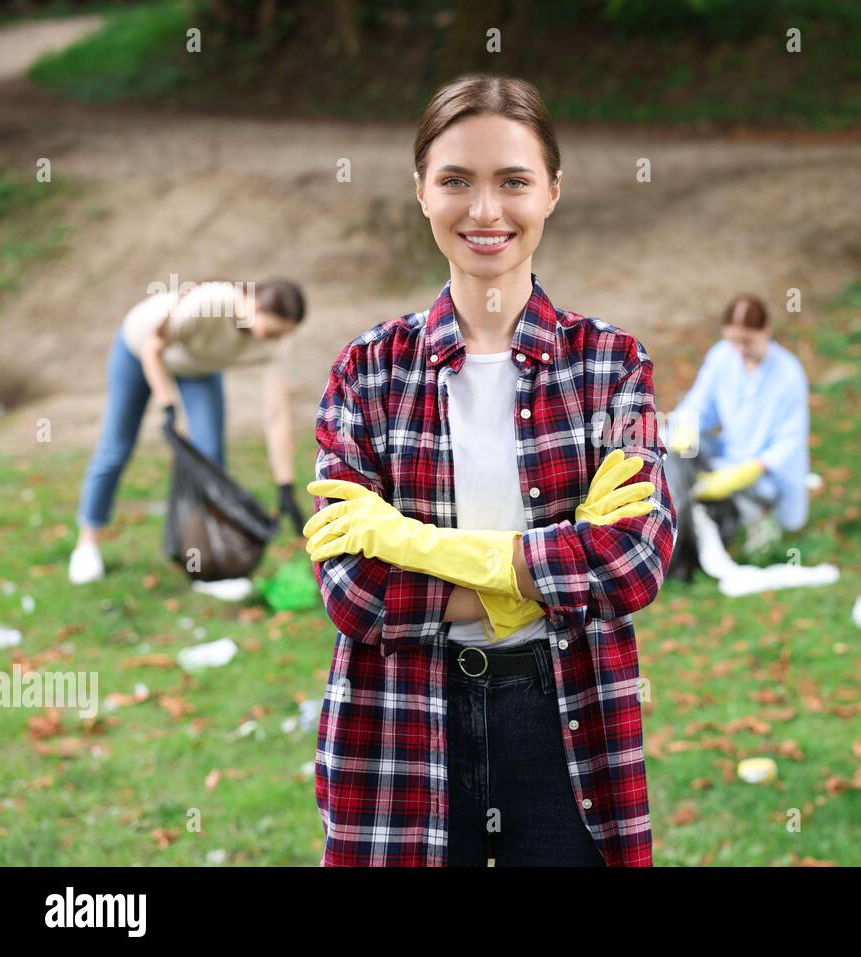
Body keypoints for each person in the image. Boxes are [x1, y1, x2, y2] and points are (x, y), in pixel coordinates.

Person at [303, 74, 675, 867]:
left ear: (552, 191)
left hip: (564, 715)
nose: (484, 211)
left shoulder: (613, 365)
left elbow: (634, 561)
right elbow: (355, 592)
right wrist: (550, 562)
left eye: (513, 181)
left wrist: (409, 539)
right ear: (420, 191)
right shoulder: (365, 371)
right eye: (455, 181)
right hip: (402, 720)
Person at [69, 277, 308, 584]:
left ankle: (205, 564)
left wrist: (285, 485)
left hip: (197, 369)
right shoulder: (210, 305)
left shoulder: (277, 343)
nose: (276, 340)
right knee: (117, 447)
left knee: (209, 457)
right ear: (251, 305)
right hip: (138, 348)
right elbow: (153, 349)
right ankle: (87, 543)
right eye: (272, 331)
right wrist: (168, 405)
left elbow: (276, 415)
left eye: (284, 334)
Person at [665, 294, 810, 556]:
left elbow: (789, 442)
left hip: (767, 474)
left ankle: (758, 522)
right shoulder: (723, 356)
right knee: (669, 443)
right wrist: (684, 428)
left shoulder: (789, 374)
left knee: (754, 498)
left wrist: (748, 471)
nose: (740, 349)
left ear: (766, 330)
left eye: (747, 342)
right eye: (733, 341)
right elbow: (698, 404)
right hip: (729, 455)